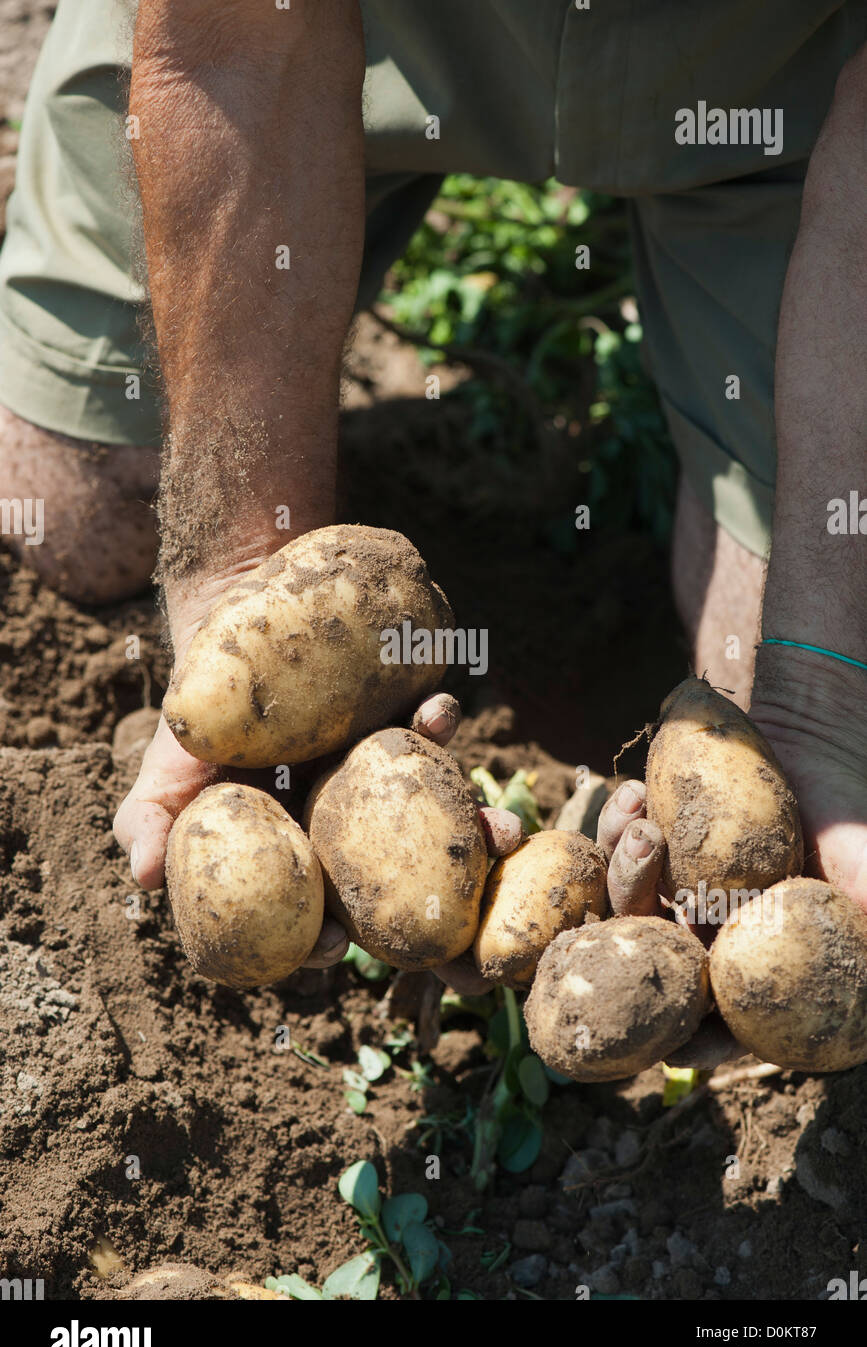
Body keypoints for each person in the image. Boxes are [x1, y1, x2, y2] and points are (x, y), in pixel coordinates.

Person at [0, 2, 864, 990]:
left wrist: (828, 685)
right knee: (87, 504)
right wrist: (247, 580)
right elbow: (235, 40)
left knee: (777, 733)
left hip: (778, 65)